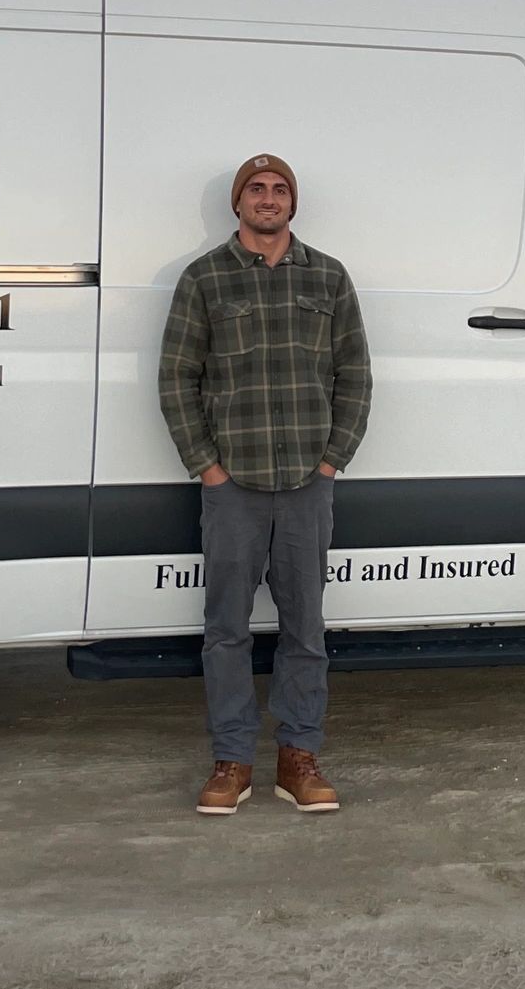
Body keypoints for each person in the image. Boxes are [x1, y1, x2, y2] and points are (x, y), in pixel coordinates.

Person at [157, 153, 373, 817]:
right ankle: (231, 761)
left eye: (280, 189)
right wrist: (208, 468)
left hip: (308, 484)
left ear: (292, 203)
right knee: (226, 631)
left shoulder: (328, 277)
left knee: (305, 630)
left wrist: (331, 461)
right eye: (256, 189)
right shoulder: (205, 278)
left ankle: (298, 758)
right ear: (239, 202)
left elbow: (355, 375)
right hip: (233, 489)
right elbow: (177, 379)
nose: (269, 198)